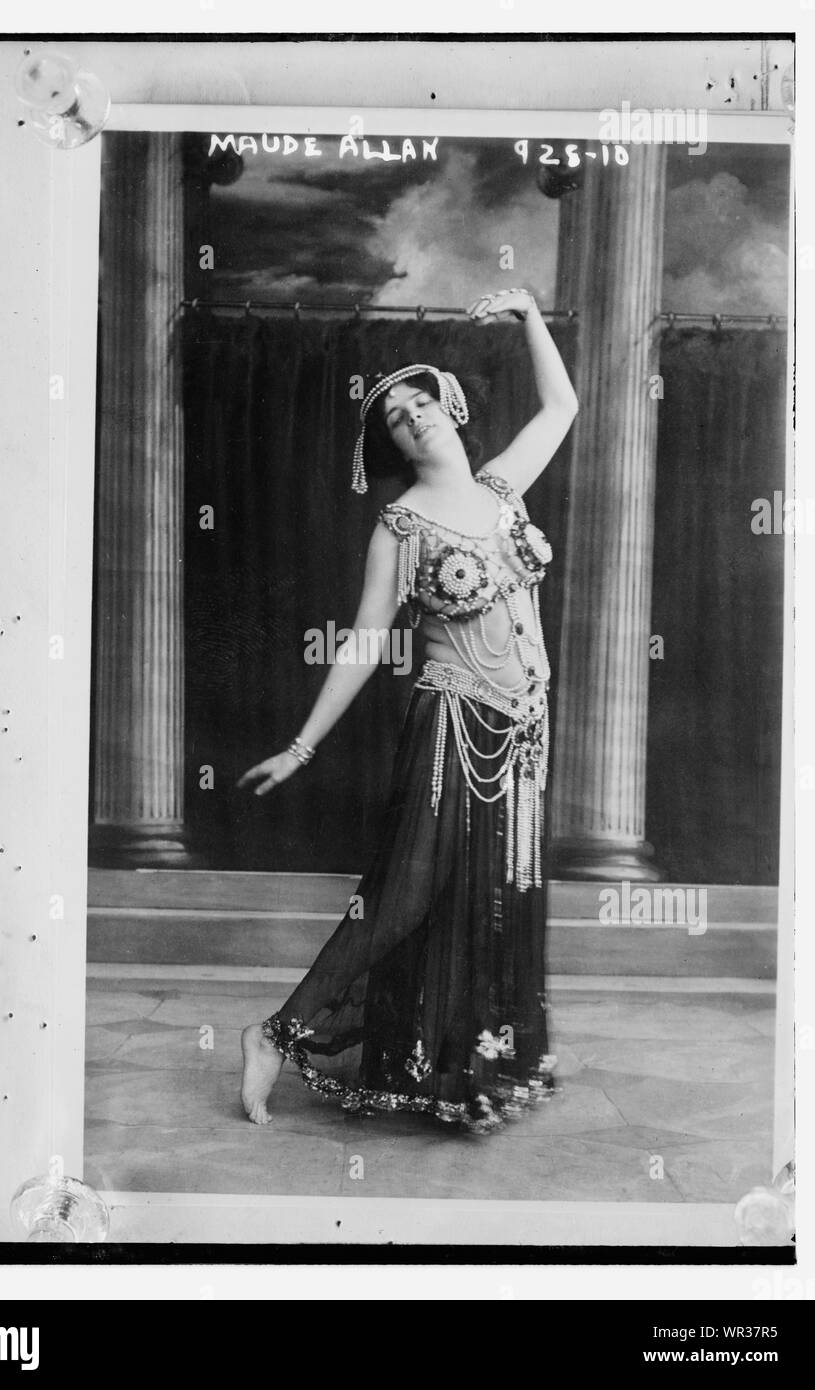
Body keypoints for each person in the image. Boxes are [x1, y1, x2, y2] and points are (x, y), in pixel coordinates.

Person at [238, 287, 579, 1132]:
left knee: (498, 893)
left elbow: (562, 403)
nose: (413, 418)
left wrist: (530, 313)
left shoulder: (505, 488)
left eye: (421, 402)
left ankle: (468, 1063)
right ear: (388, 444)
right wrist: (303, 746)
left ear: (452, 408)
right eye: (394, 417)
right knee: (407, 894)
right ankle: (275, 1034)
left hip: (524, 726)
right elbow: (361, 642)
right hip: (452, 726)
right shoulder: (401, 524)